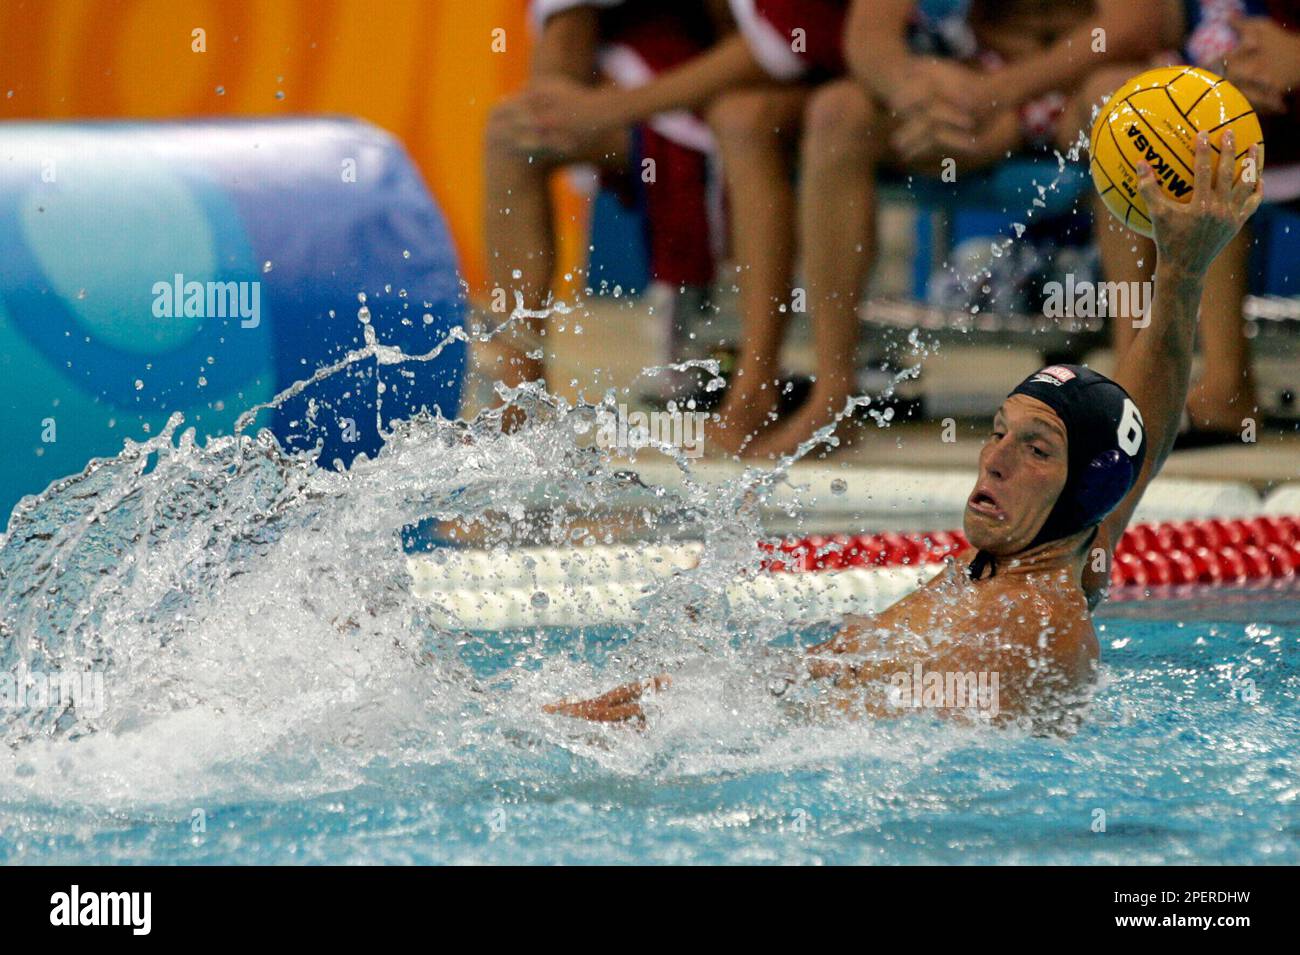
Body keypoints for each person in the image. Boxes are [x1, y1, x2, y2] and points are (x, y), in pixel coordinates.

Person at [545, 131, 1263, 727]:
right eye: (1001, 431)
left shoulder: (1030, 633)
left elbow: (881, 714)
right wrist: (1179, 274)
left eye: (1036, 448)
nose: (996, 461)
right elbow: (1142, 426)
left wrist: (697, 706)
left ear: (1085, 490)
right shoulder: (1056, 550)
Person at [481, 0, 732, 424]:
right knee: (514, 133)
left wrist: (611, 106)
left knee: (747, 117)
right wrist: (555, 102)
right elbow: (563, 42)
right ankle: (520, 386)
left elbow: (771, 48)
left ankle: (778, 383)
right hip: (647, 89)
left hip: (757, 81)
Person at [1074, 1, 1300, 445]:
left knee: (1211, 132)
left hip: (1274, 114)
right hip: (1248, 104)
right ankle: (1134, 380)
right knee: (1133, 121)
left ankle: (1224, 386)